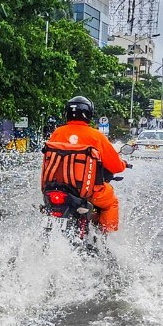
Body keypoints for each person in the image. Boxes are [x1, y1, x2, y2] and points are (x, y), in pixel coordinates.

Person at [42, 96, 127, 232]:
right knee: (111, 203)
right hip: (86, 192)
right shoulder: (96, 136)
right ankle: (105, 238)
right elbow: (116, 166)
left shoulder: (57, 133)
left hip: (56, 189)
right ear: (88, 114)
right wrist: (123, 164)